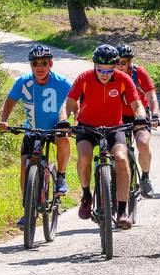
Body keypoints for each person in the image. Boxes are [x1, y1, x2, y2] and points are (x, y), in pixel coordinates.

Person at [63, 43, 148, 230]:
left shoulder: (123, 78)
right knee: (84, 157)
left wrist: (140, 116)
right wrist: (64, 120)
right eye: (100, 69)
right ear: (94, 65)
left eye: (109, 71)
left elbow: (137, 104)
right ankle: (86, 195)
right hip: (87, 127)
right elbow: (69, 103)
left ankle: (122, 211)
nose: (104, 74)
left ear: (116, 66)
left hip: (114, 128)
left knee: (121, 158)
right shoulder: (84, 78)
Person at [0, 44, 72, 227]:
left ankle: (61, 177)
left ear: (51, 64)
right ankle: (28, 210)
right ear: (30, 65)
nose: (40, 67)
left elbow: (74, 103)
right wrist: (3, 120)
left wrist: (74, 123)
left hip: (55, 129)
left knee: (64, 139)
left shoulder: (62, 83)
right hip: (32, 130)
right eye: (35, 63)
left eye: (44, 63)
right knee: (25, 168)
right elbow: (10, 102)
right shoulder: (23, 82)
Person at [116, 43, 159, 198]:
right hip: (118, 116)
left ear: (130, 62)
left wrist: (154, 116)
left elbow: (151, 96)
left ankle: (145, 178)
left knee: (143, 143)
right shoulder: (110, 75)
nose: (119, 66)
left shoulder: (139, 73)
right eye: (116, 62)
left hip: (139, 116)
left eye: (122, 63)